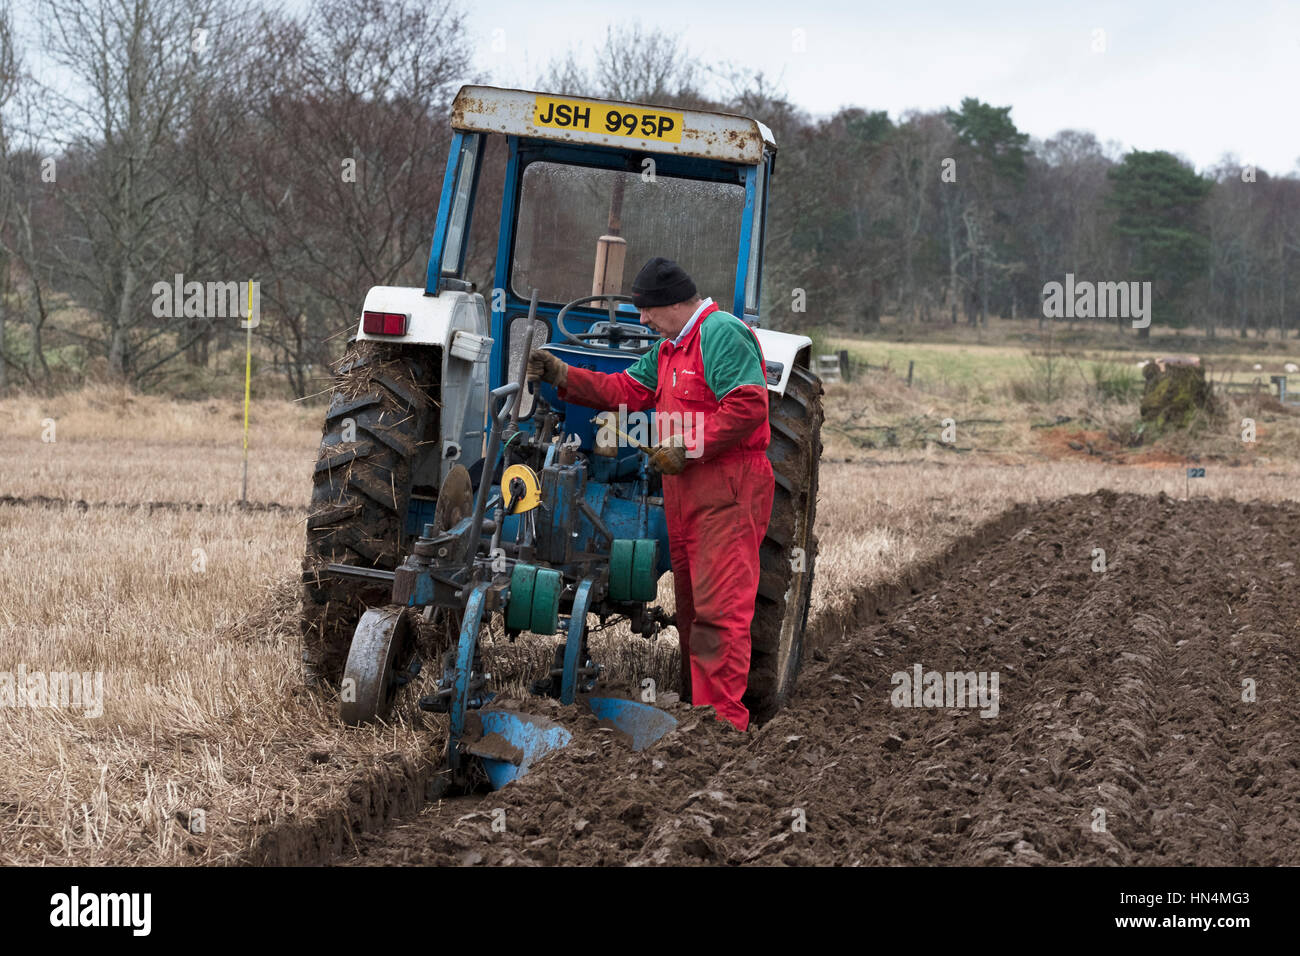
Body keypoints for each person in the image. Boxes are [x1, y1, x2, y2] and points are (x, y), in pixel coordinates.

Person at [528, 257, 774, 731]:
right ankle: (699, 715)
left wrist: (689, 444)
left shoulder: (720, 333)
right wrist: (562, 375)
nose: (642, 320)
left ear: (675, 303)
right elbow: (623, 388)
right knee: (693, 610)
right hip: (685, 492)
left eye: (647, 310)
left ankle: (723, 729)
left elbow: (748, 406)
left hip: (728, 490)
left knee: (720, 612)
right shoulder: (668, 351)